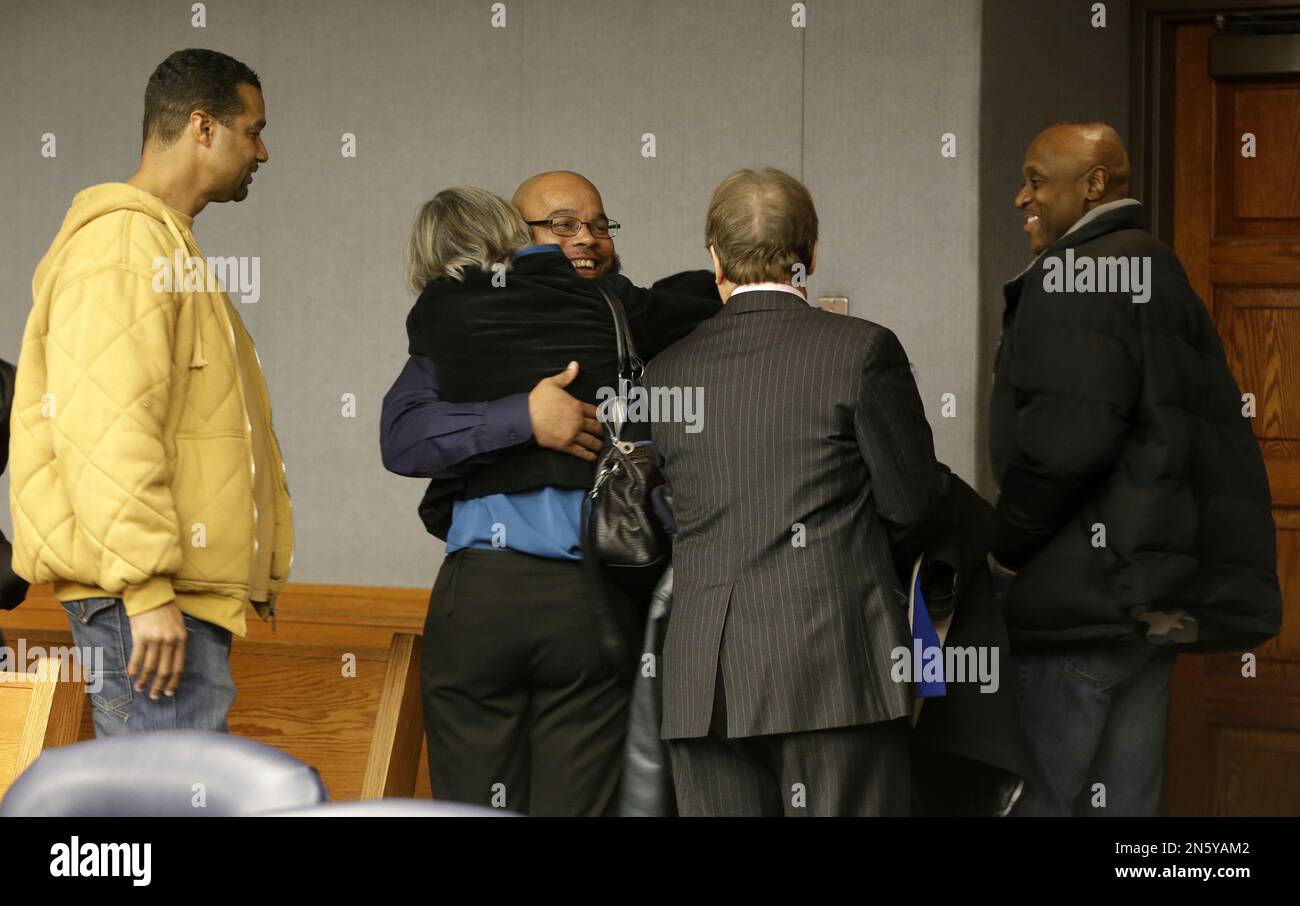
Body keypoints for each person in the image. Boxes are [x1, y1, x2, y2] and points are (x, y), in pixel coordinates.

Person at [990, 121, 1281, 816]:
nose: (1019, 197)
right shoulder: (1154, 264)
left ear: (1093, 185)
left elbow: (1066, 443)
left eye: (1035, 179)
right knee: (1125, 814)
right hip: (1147, 602)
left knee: (1039, 803)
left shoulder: (1077, 272)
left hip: (1079, 600)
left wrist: (1002, 551)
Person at [398, 186, 717, 816]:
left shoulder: (450, 321)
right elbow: (404, 437)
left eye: (599, 225)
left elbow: (402, 439)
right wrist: (525, 418)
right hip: (584, 597)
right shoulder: (614, 315)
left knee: (470, 809)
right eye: (564, 226)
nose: (586, 239)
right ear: (519, 238)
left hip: (482, 597)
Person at [646, 168, 949, 816]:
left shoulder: (667, 372)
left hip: (705, 682)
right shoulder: (861, 350)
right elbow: (913, 506)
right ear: (810, 254)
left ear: (713, 258)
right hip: (835, 669)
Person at [7, 48, 292, 736]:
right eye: (251, 130)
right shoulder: (126, 246)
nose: (263, 152)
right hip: (150, 599)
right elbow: (104, 427)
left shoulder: (167, 247)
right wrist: (146, 589)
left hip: (170, 595)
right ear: (202, 126)